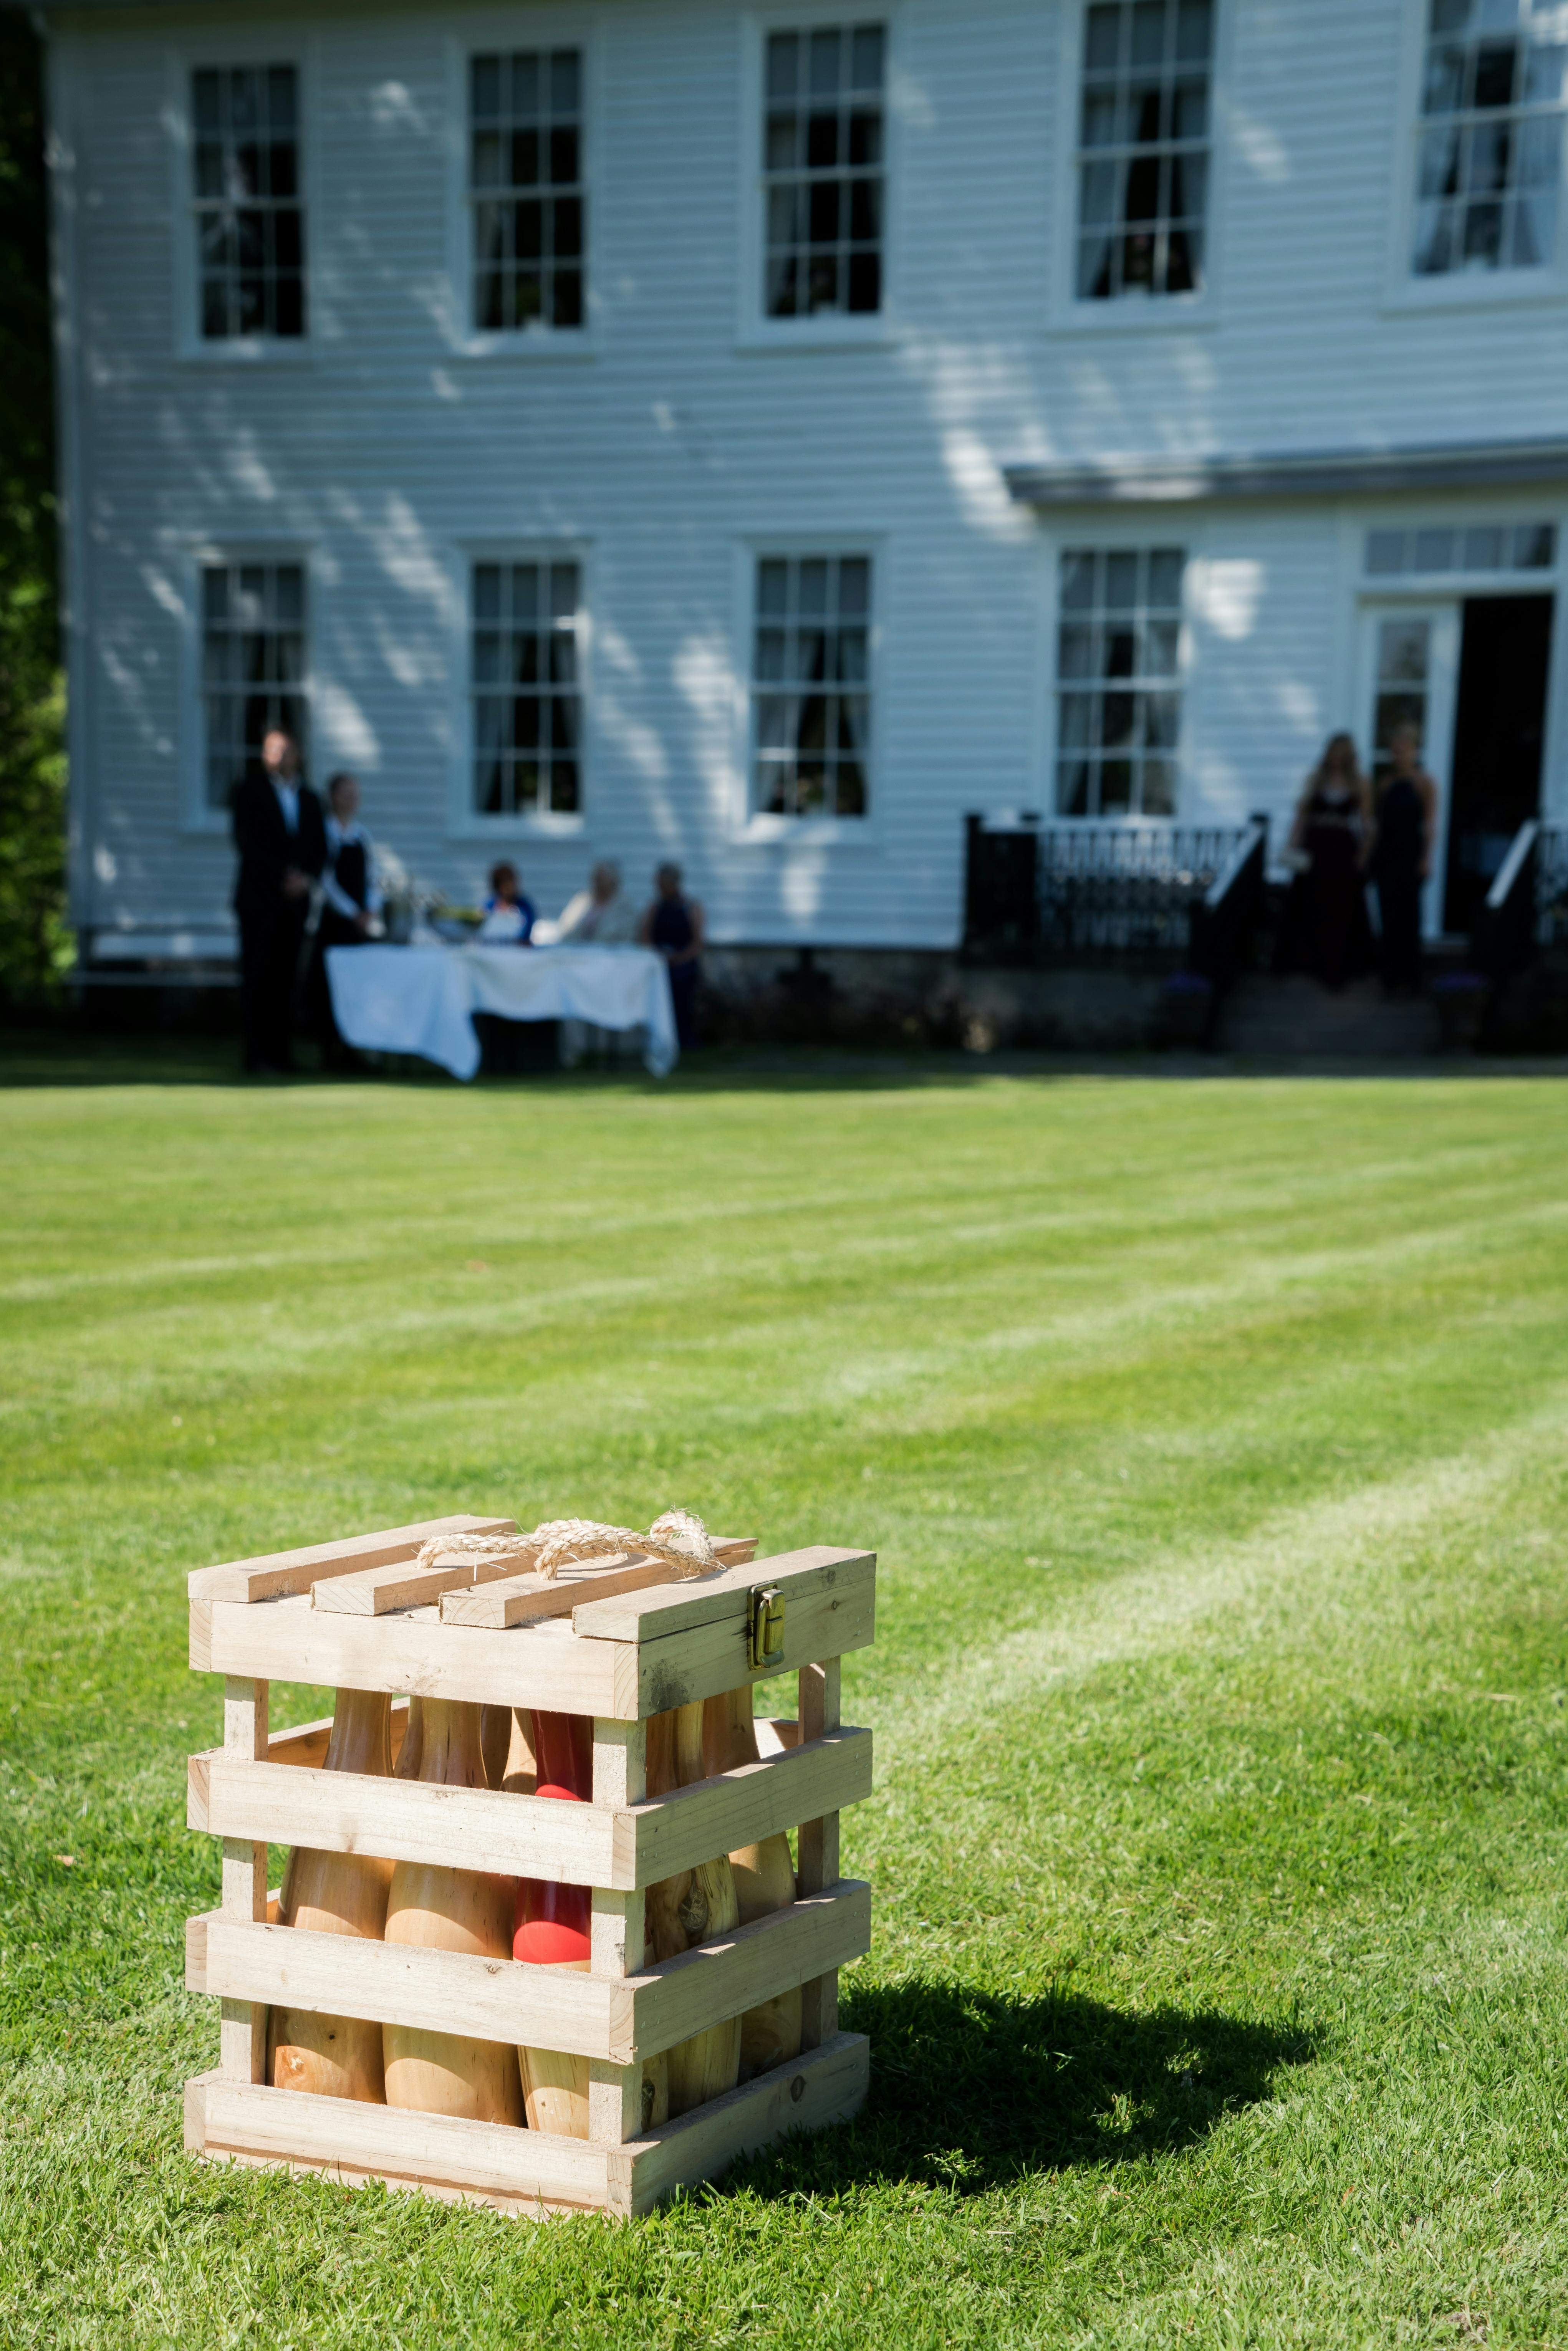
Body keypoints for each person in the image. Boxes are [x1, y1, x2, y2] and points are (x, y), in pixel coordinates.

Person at [231, 728, 325, 1073]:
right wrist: (281, 877)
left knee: (286, 980)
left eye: (282, 750)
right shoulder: (249, 792)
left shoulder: (311, 799)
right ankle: (256, 1056)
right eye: (269, 750)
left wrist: (304, 878)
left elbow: (319, 847)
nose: (275, 757)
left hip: (294, 903)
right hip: (259, 899)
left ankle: (282, 1055)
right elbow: (246, 842)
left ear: (297, 754)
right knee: (258, 977)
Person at [1280, 732, 1373, 990]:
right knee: (1310, 902)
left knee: (1340, 909)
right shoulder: (1315, 779)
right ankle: (1309, 962)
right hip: (1315, 847)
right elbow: (1301, 818)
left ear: (1349, 757)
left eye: (1341, 754)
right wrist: (1291, 847)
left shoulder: (1360, 783)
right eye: (1333, 752)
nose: (1336, 759)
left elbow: (1367, 824)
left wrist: (1363, 855)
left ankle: (1337, 965)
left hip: (1342, 850)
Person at [310, 771, 383, 1069]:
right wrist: (353, 912)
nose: (351, 799)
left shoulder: (362, 835)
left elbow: (373, 878)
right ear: (333, 797)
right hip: (334, 923)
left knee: (357, 987)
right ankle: (330, 1050)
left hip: (359, 926)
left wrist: (371, 910)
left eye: (355, 793)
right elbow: (325, 881)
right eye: (345, 793)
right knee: (330, 988)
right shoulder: (324, 833)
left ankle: (355, 1049)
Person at [1368, 724, 1439, 996]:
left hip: (1411, 854)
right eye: (1395, 750)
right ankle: (1390, 977)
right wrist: (1367, 855)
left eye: (1404, 749)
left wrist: (1426, 859)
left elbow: (1430, 823)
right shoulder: (1385, 783)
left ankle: (1411, 978)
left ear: (1414, 751)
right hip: (1386, 854)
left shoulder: (1424, 783)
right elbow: (1377, 824)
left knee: (1410, 917)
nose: (1399, 755)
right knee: (1388, 915)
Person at [639, 861, 705, 1050]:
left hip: (683, 963)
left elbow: (697, 943)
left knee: (683, 998)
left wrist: (679, 958)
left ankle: (686, 1041)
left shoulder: (691, 907)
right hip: (659, 963)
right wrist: (659, 956)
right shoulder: (655, 907)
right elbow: (645, 937)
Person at [548, 861, 637, 947]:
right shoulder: (582, 900)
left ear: (613, 880)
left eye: (603, 878)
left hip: (609, 957)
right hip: (578, 953)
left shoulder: (624, 906)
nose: (599, 882)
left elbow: (625, 936)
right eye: (597, 878)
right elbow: (567, 927)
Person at [478, 861, 535, 944]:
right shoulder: (489, 906)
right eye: (506, 885)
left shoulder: (525, 907)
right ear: (498, 887)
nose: (511, 888)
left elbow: (526, 936)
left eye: (513, 883)